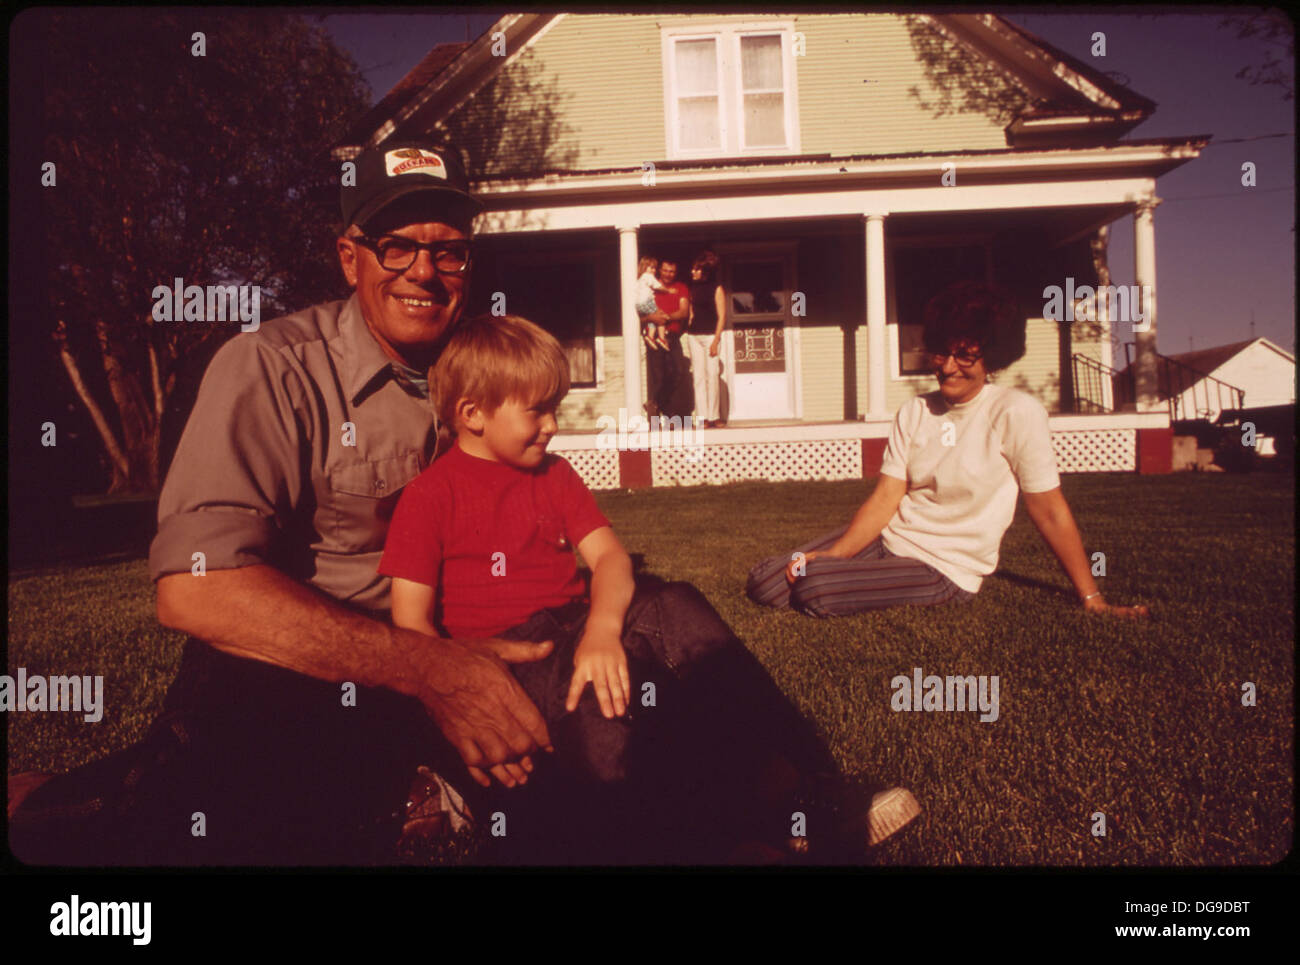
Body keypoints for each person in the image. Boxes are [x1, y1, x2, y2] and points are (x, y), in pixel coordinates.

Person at [9, 137, 918, 865]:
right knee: (170, 824)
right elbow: (196, 590)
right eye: (396, 244)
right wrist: (432, 669)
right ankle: (53, 800)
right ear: (350, 256)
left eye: (448, 248)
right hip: (303, 671)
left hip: (484, 635)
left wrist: (571, 617)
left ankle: (793, 798)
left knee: (658, 619)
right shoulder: (274, 366)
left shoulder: (470, 372)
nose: (423, 269)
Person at [378, 312, 920, 863]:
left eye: (555, 408)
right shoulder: (429, 497)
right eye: (537, 410)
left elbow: (610, 558)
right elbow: (411, 625)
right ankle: (731, 840)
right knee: (611, 736)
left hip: (579, 628)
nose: (552, 425)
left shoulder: (554, 473)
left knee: (673, 605)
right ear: (472, 414)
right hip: (515, 660)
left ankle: (805, 779)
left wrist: (603, 628)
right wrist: (465, 701)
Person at [747, 281, 1150, 620]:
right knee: (770, 578)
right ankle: (834, 572)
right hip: (890, 542)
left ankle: (837, 579)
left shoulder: (1016, 412)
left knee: (815, 586)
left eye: (965, 355)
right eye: (941, 352)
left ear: (991, 357)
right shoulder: (915, 410)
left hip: (943, 568)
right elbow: (886, 497)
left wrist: (1092, 598)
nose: (949, 366)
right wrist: (835, 555)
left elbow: (1050, 509)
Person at [640, 258, 691, 418]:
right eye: (665, 270)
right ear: (659, 271)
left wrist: (665, 318)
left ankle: (655, 402)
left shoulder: (680, 288)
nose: (669, 274)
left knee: (678, 372)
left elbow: (683, 312)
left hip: (673, 336)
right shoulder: (649, 287)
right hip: (654, 337)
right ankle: (665, 412)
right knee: (659, 376)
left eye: (672, 271)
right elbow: (640, 316)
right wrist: (652, 319)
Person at [685, 250, 726, 427]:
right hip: (694, 336)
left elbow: (722, 316)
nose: (692, 272)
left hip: (710, 336)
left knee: (712, 375)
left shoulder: (717, 288)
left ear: (704, 271)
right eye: (692, 269)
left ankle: (714, 416)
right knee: (698, 378)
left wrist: (716, 341)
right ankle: (702, 418)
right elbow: (692, 312)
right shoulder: (693, 288)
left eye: (696, 269)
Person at [634, 256, 671, 349]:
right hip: (646, 302)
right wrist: (668, 290)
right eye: (651, 267)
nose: (653, 270)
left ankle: (650, 337)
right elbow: (658, 286)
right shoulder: (648, 276)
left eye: (654, 268)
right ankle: (661, 338)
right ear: (644, 268)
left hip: (639, 305)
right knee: (660, 318)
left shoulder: (640, 279)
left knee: (653, 320)